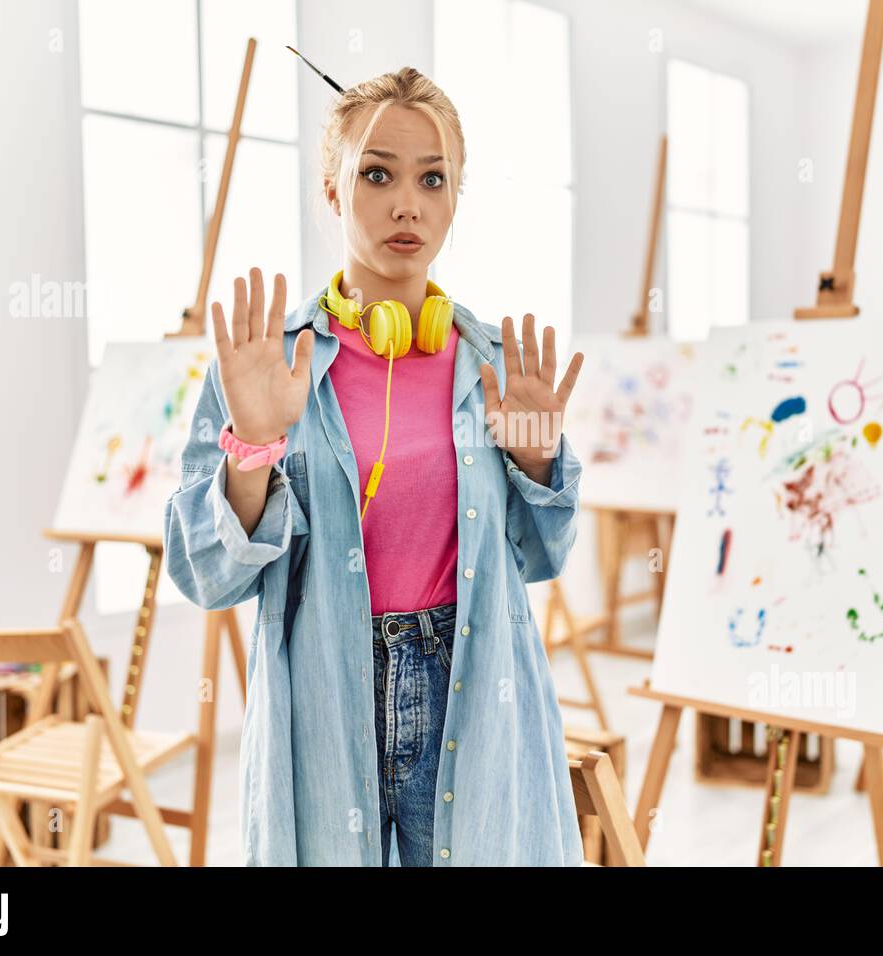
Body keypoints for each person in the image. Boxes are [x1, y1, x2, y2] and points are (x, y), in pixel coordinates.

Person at [164, 66, 587, 866]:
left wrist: (534, 456)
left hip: (474, 682)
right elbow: (205, 577)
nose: (408, 204)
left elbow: (541, 557)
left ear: (456, 197)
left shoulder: (493, 364)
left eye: (434, 179)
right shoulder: (267, 366)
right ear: (331, 191)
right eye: (376, 174)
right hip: (329, 687)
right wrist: (251, 447)